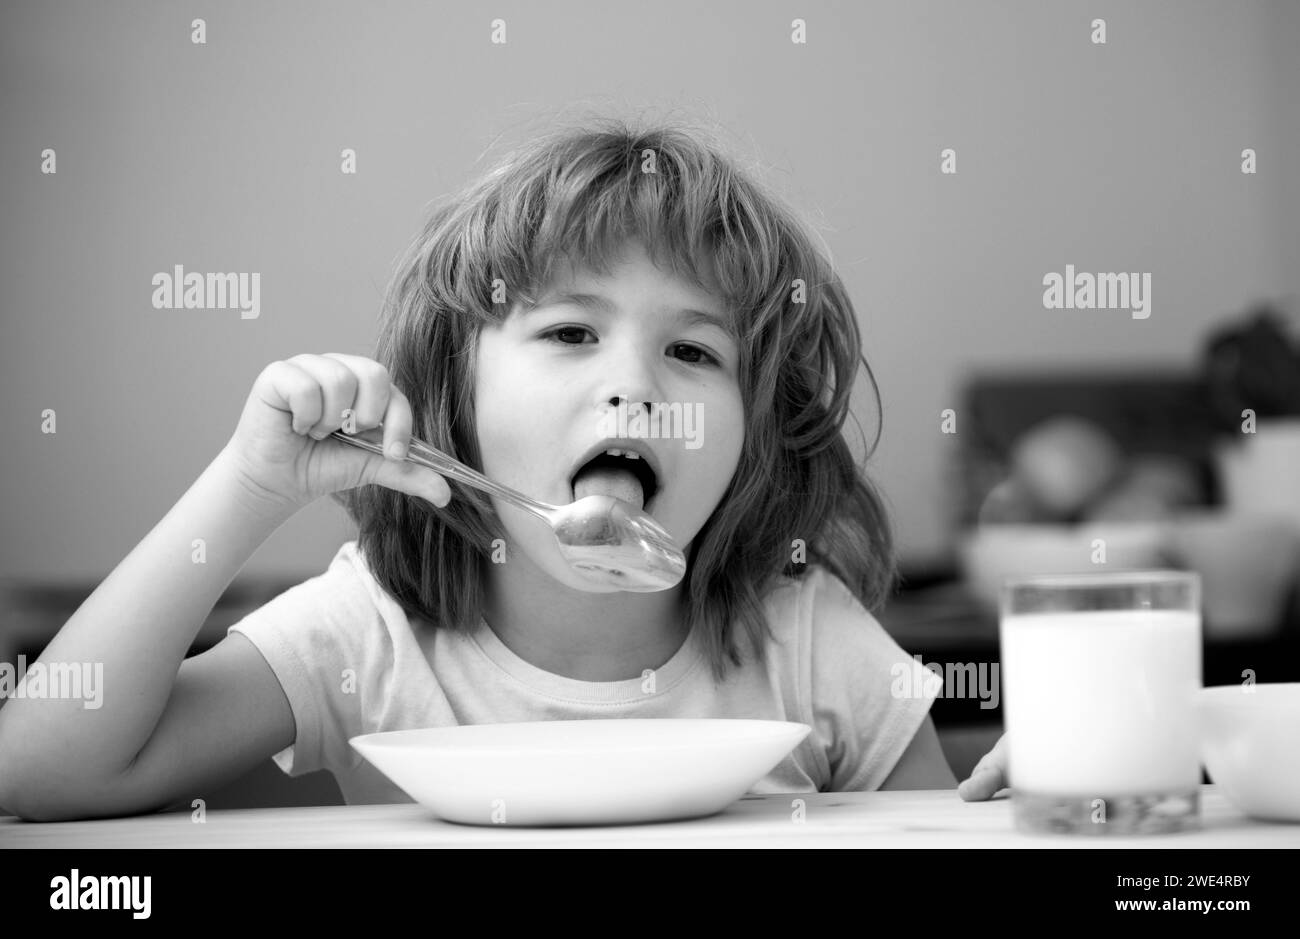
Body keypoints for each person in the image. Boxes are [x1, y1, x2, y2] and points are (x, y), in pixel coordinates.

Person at [0, 117, 981, 821]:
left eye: (694, 353)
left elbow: (953, 838)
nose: (635, 386)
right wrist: (247, 487)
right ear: (450, 397)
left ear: (755, 437)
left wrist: (1038, 799)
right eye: (568, 331)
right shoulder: (371, 633)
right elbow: (38, 775)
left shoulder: (807, 642)